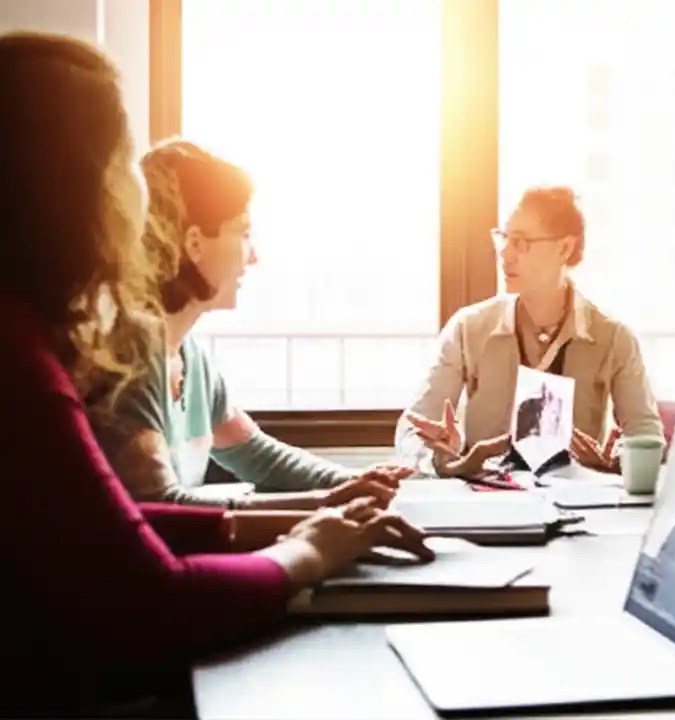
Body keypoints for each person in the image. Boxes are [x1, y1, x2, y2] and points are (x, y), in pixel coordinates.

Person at [0, 32, 431, 715]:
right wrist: (308, 548)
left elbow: (126, 524)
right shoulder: (22, 368)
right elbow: (151, 595)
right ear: (73, 190)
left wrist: (331, 502)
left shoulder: (32, 342)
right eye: (119, 162)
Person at [91, 138, 409, 510]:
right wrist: (324, 502)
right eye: (243, 233)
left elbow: (256, 454)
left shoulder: (191, 357)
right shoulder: (133, 356)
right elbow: (166, 509)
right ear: (194, 243)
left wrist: (355, 482)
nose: (253, 255)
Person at [396, 186, 662, 477]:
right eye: (504, 239)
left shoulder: (613, 338)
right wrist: (442, 460)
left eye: (521, 242)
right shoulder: (468, 329)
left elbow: (645, 433)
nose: (505, 254)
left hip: (579, 507)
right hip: (485, 502)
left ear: (564, 248)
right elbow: (412, 428)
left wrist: (622, 462)